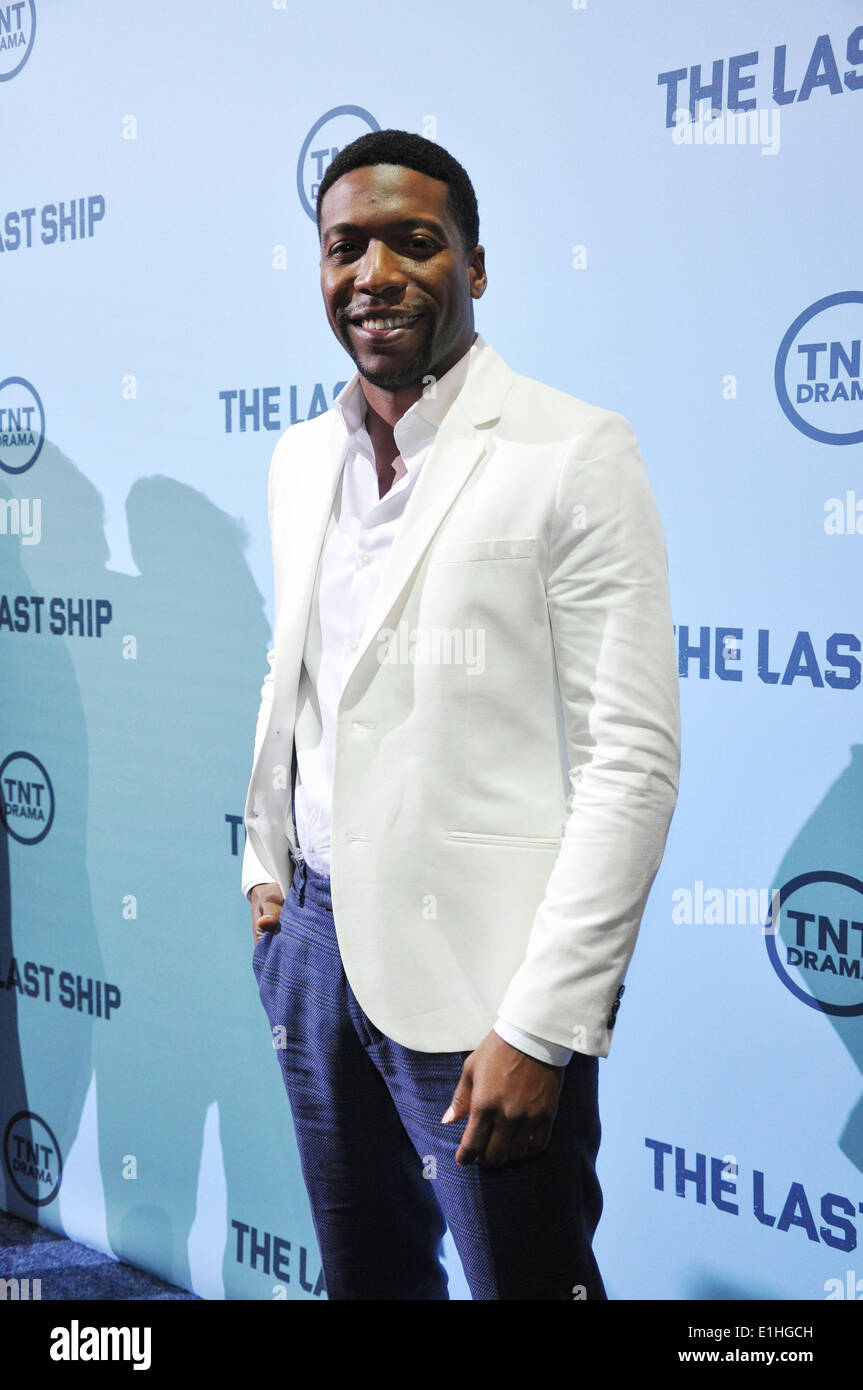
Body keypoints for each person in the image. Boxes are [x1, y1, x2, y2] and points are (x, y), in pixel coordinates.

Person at [242, 129, 680, 1301]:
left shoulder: (571, 450)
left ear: (474, 268)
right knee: (368, 1280)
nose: (374, 273)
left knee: (528, 1285)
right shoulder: (298, 458)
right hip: (314, 955)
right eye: (346, 247)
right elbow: (301, 676)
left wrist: (542, 1024)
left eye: (414, 242)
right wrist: (265, 868)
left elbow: (628, 762)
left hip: (488, 976)